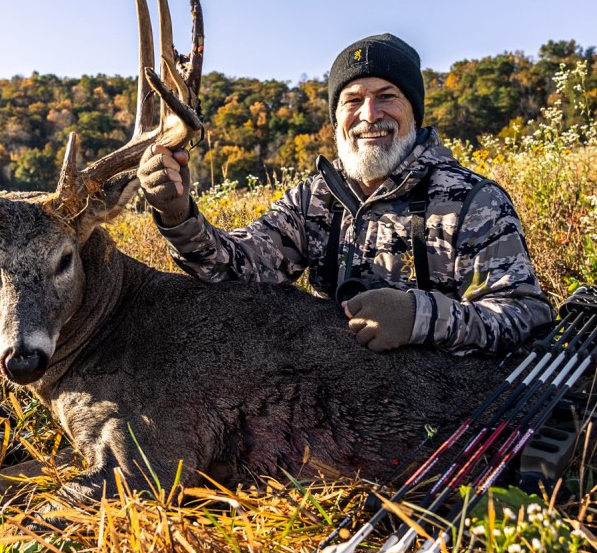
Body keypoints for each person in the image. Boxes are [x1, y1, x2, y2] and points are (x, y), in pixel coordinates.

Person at [138, 33, 552, 355]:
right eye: (353, 100)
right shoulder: (315, 198)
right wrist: (178, 217)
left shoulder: (472, 202)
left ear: (413, 110)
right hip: (342, 395)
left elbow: (524, 317)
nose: (369, 116)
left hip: (443, 402)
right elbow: (239, 272)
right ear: (336, 117)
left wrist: (420, 318)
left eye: (387, 97)